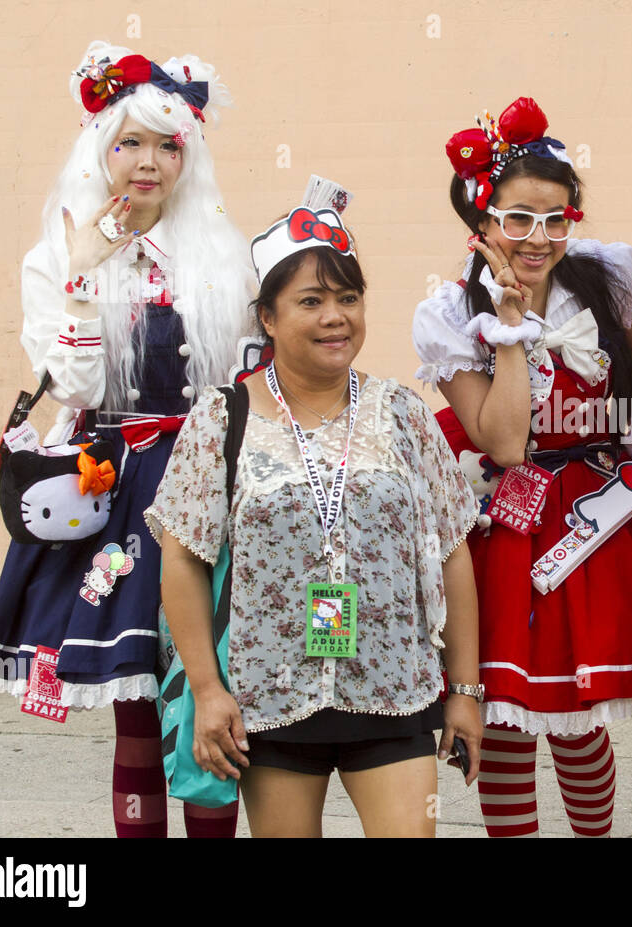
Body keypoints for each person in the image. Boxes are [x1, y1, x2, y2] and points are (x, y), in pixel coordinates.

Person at [0, 40, 254, 837]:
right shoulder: (56, 255)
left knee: (215, 690)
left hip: (208, 480)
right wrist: (86, 283)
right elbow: (73, 391)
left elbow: (246, 378)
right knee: (137, 708)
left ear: (187, 158)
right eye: (128, 141)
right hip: (116, 482)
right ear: (97, 150)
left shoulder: (224, 257)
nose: (147, 162)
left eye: (168, 145)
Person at [147, 189, 484, 837]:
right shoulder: (223, 418)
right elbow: (182, 561)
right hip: (272, 697)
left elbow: (452, 552)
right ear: (268, 318)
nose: (336, 317)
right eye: (311, 301)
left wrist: (464, 690)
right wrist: (208, 688)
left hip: (393, 687)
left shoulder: (402, 413)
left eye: (348, 299)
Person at [413, 97, 632, 837]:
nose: (539, 237)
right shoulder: (450, 311)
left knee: (578, 714)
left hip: (593, 509)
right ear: (484, 219)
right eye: (520, 218)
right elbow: (501, 441)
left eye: (557, 218)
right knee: (504, 717)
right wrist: (506, 329)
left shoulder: (601, 279)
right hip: (507, 514)